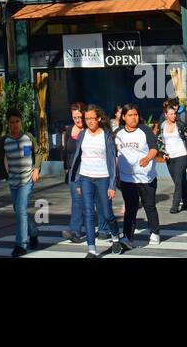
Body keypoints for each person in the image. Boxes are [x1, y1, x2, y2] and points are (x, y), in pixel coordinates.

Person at [69, 105, 125, 257]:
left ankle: (115, 238)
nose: (89, 122)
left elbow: (112, 162)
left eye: (92, 118)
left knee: (107, 213)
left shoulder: (107, 135)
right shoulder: (82, 135)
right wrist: (78, 180)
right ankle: (91, 250)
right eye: (86, 119)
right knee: (88, 213)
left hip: (103, 178)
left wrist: (112, 185)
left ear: (99, 118)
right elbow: (79, 159)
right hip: (86, 178)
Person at [114, 104, 162, 246]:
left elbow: (154, 148)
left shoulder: (145, 130)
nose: (133, 118)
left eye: (135, 115)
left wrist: (147, 158)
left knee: (149, 205)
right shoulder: (117, 133)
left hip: (146, 177)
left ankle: (154, 232)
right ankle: (127, 237)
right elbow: (113, 153)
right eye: (130, 115)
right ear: (123, 117)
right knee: (131, 207)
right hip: (127, 178)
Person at [1, 110, 40, 257]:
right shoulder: (5, 140)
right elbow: (1, 158)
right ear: (8, 124)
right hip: (13, 180)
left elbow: (38, 152)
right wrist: (5, 174)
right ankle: (34, 232)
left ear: (21, 122)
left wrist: (36, 169)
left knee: (21, 211)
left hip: (26, 179)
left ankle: (20, 245)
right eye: (12, 122)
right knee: (18, 212)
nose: (15, 124)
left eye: (17, 121)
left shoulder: (27, 138)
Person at [158, 102, 187, 214]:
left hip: (181, 155)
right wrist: (163, 152)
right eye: (171, 114)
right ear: (166, 115)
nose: (174, 116)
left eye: (174, 114)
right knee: (179, 180)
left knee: (178, 181)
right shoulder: (162, 126)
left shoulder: (180, 125)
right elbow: (160, 140)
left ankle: (175, 205)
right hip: (169, 157)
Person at [60, 102, 88, 243]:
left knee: (90, 202)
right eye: (74, 117)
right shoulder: (69, 130)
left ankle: (104, 228)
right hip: (72, 171)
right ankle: (74, 231)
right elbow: (65, 151)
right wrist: (66, 168)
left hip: (87, 170)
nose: (77, 120)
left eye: (80, 117)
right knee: (77, 201)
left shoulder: (90, 130)